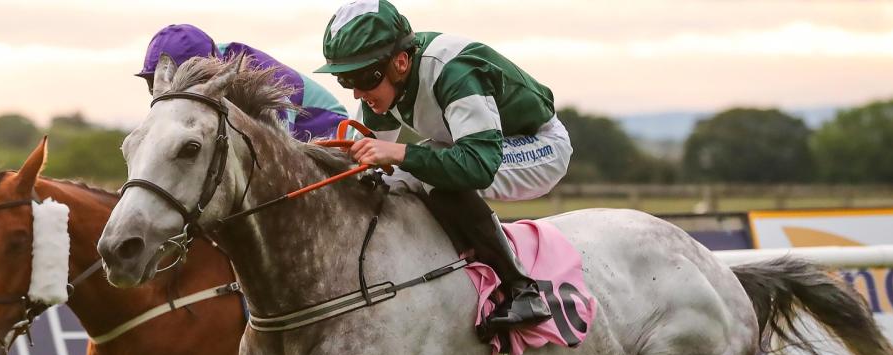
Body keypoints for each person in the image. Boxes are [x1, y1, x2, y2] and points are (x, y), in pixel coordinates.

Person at [316, 0, 572, 329]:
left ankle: (522, 290)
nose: (356, 93)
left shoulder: (454, 71)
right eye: (345, 80)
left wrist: (399, 153)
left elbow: (478, 166)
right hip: (473, 146)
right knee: (387, 179)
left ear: (401, 62)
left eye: (363, 78)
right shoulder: (381, 89)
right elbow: (365, 170)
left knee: (428, 170)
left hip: (538, 145)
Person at [137, 24, 349, 143]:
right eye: (152, 86)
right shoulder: (209, 60)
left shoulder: (258, 76)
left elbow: (277, 144)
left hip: (331, 133)